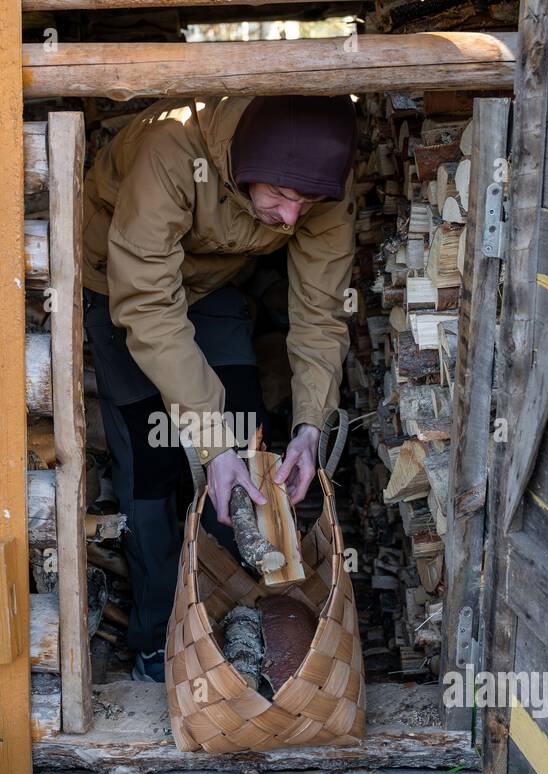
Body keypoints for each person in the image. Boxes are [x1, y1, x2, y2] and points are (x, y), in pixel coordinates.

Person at [81, 94, 358, 681]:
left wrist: (311, 427)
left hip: (212, 287)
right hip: (124, 286)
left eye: (305, 205)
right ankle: (160, 636)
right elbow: (149, 304)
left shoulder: (322, 187)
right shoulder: (171, 149)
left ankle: (237, 630)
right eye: (280, 199)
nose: (290, 218)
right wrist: (210, 441)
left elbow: (320, 311)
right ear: (242, 167)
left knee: (245, 451)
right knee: (153, 465)